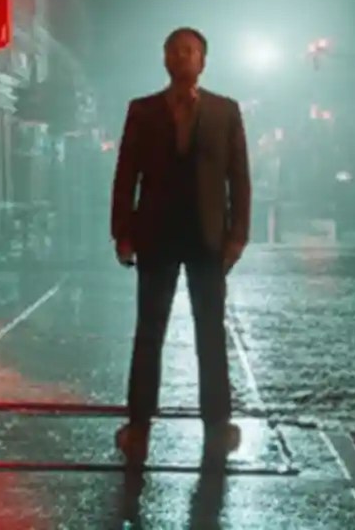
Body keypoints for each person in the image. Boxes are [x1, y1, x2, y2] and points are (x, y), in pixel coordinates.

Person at [110, 26, 252, 464]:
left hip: (209, 239)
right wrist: (123, 232)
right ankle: (138, 424)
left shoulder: (226, 111)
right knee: (148, 333)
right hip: (155, 235)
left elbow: (239, 178)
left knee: (210, 334)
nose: (182, 57)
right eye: (175, 50)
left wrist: (238, 235)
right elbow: (126, 174)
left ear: (203, 60)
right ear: (165, 59)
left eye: (190, 51)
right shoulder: (143, 110)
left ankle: (218, 423)